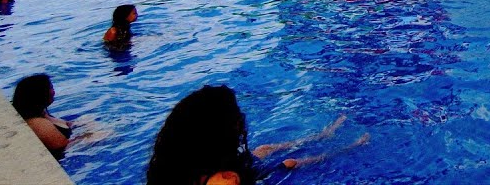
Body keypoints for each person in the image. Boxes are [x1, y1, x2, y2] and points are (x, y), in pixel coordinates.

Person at [146, 84, 367, 185]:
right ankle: (348, 147)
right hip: (241, 177)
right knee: (290, 162)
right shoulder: (224, 181)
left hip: (229, 168)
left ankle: (321, 136)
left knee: (262, 150)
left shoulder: (175, 156)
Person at [12, 74, 72, 160]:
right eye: (51, 88)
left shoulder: (39, 112)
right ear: (40, 94)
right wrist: (89, 135)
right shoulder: (38, 124)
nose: (54, 92)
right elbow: (65, 147)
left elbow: (65, 124)